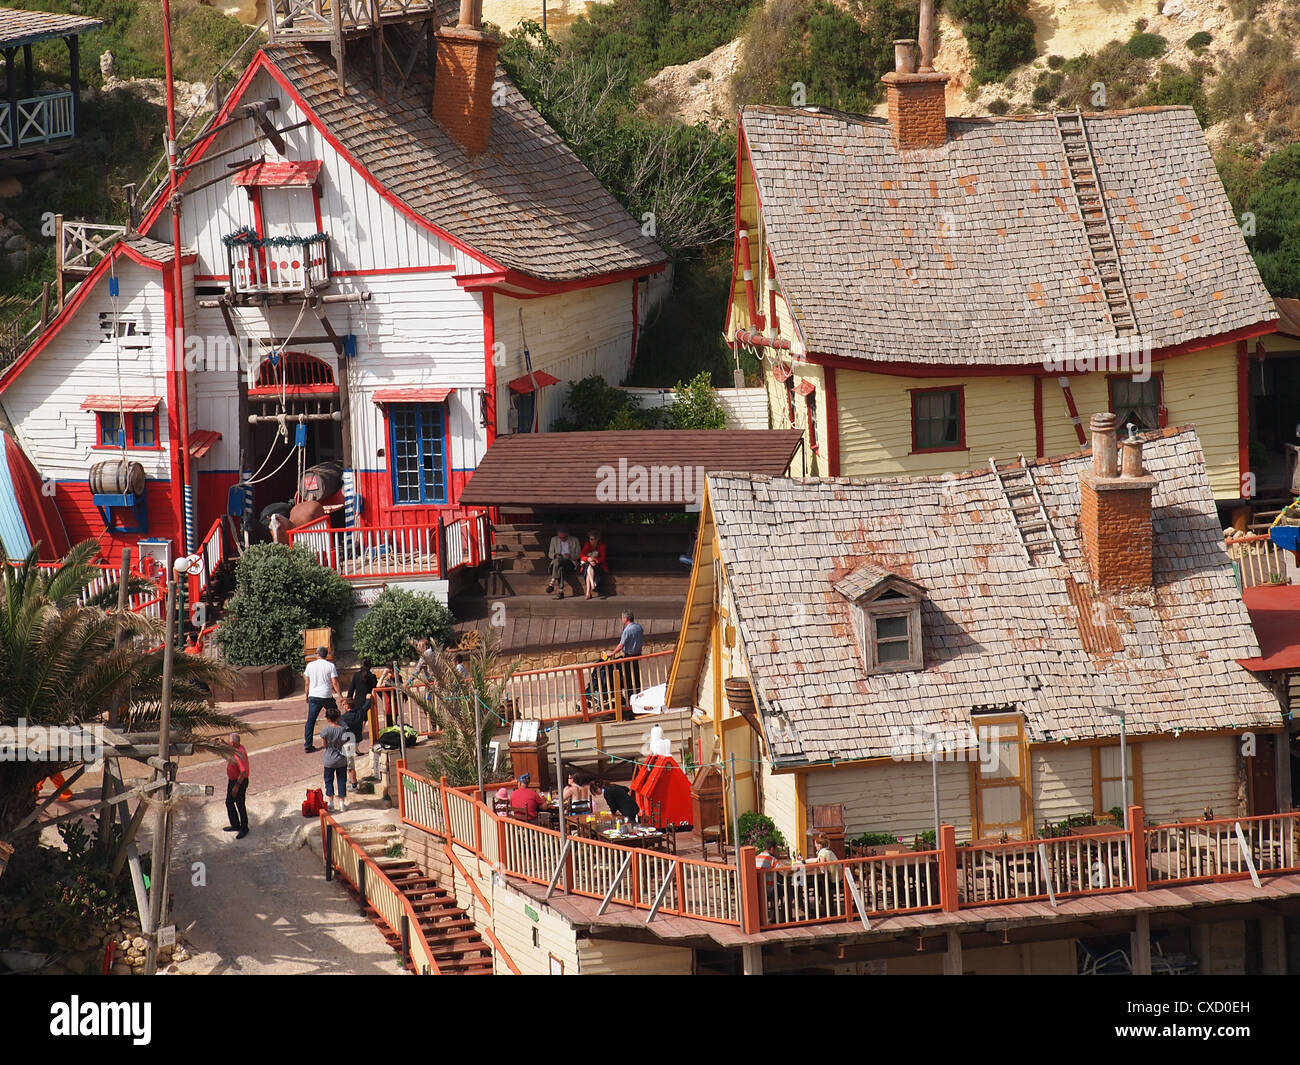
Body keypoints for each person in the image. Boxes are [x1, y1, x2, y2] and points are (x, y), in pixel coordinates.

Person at [304, 646, 342, 753]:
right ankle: (341, 736)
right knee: (336, 715)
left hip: (314, 696)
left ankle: (308, 744)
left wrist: (306, 695)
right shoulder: (330, 665)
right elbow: (334, 682)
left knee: (311, 721)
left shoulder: (310, 665)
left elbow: (307, 682)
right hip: (326, 695)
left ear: (318, 654)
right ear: (326, 655)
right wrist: (340, 696)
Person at [321, 707, 350, 812]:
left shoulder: (325, 730)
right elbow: (345, 741)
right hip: (341, 758)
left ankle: (331, 803)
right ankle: (342, 803)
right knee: (342, 780)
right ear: (338, 717)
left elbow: (324, 744)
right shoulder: (342, 729)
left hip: (328, 759)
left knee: (328, 781)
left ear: (328, 718)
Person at [611, 610, 645, 697]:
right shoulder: (639, 627)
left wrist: (612, 653)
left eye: (622, 618)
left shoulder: (627, 630)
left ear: (626, 619)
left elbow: (621, 645)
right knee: (636, 675)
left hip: (629, 655)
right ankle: (638, 693)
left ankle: (630, 696)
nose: (622, 620)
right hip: (637, 654)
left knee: (628, 676)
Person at [223, 733, 250, 839]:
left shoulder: (238, 754)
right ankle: (235, 824)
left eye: (229, 741)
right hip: (233, 781)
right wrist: (224, 743)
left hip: (239, 782)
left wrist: (236, 786)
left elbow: (243, 771)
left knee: (240, 804)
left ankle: (244, 828)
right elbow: (231, 747)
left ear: (233, 743)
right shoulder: (238, 747)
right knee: (229, 802)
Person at [546, 527, 579, 599]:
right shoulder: (554, 540)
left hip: (570, 562)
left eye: (564, 537)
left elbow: (579, 554)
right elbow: (550, 554)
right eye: (560, 537)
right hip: (558, 562)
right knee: (560, 568)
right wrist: (555, 555)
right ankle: (561, 591)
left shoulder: (575, 540)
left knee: (557, 562)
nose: (562, 539)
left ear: (568, 535)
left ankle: (552, 582)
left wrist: (570, 556)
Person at [579, 530, 607, 600]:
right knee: (588, 566)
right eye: (589, 539)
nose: (590, 540)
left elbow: (603, 558)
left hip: (598, 565)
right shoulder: (587, 545)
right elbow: (581, 555)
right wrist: (588, 559)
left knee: (588, 568)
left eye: (592, 539)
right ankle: (592, 585)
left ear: (597, 539)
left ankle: (588, 593)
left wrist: (594, 560)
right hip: (588, 564)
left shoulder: (602, 546)